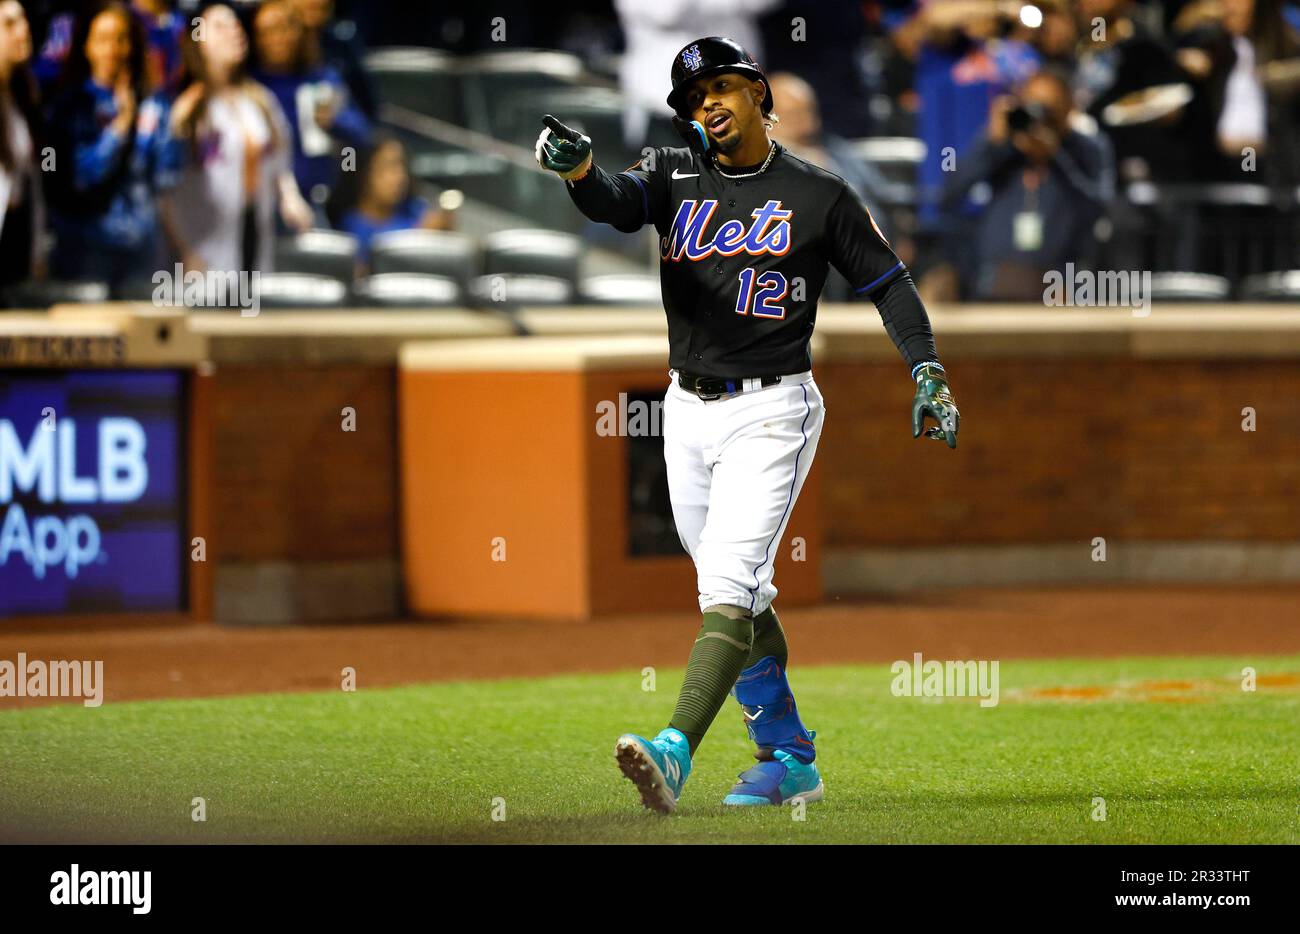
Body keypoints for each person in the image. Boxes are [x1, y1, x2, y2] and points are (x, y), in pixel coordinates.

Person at [535, 37, 959, 814]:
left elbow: (890, 285)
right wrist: (579, 172)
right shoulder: (669, 172)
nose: (709, 106)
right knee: (735, 590)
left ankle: (675, 750)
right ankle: (790, 758)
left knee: (729, 580)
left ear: (758, 94)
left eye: (722, 88)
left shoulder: (819, 193)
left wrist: (927, 371)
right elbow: (614, 203)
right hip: (686, 408)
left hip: (773, 408)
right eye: (695, 98)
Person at [161, 3, 311, 278]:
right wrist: (182, 248)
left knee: (253, 304)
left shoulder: (259, 100)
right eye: (220, 27)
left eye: (236, 25)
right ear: (197, 41)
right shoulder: (186, 110)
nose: (234, 32)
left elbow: (279, 161)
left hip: (254, 225)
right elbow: (165, 191)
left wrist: (290, 197)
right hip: (202, 240)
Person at [940, 69, 1114, 299]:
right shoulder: (1002, 149)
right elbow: (949, 195)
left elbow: (1099, 208)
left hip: (1060, 282)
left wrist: (1056, 156)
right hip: (995, 283)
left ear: (1069, 108)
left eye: (1048, 110)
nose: (1038, 119)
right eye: (1031, 106)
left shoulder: (1085, 150)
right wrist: (991, 144)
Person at [44, 1, 177, 294]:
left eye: (120, 39)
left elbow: (166, 177)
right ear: (86, 46)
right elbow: (80, 176)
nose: (112, 50)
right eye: (102, 40)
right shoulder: (70, 108)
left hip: (143, 245)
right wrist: (120, 127)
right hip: (85, 247)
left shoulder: (154, 105)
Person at [252, 0, 369, 217]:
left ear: (298, 32)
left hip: (322, 200)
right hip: (267, 202)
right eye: (266, 32)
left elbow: (362, 134)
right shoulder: (251, 87)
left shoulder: (323, 79)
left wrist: (336, 120)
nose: (276, 39)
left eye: (283, 29)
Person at [335, 132, 452, 268]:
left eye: (402, 166)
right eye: (389, 167)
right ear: (365, 174)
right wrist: (420, 237)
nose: (400, 177)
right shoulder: (350, 227)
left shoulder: (415, 208)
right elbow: (364, 277)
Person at [0, 0, 44, 300]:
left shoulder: (21, 97)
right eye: (9, 24)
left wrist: (36, 246)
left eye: (24, 20)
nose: (23, 29)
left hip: (14, 242)